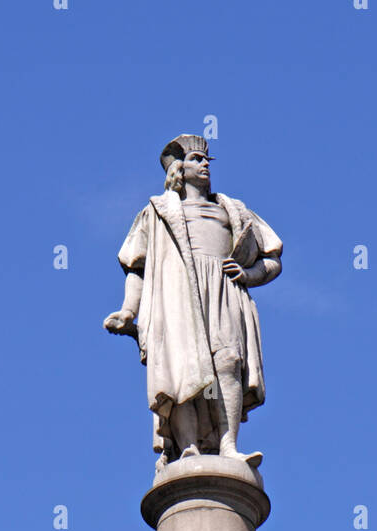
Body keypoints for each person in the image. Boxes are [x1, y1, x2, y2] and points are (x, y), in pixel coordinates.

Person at [104, 134, 282, 466]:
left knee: (228, 362)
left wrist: (250, 275)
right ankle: (188, 448)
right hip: (176, 296)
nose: (203, 166)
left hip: (223, 292)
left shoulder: (232, 209)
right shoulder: (157, 212)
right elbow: (136, 267)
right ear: (179, 169)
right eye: (195, 160)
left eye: (206, 161)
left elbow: (272, 258)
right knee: (182, 369)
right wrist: (129, 310)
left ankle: (228, 444)